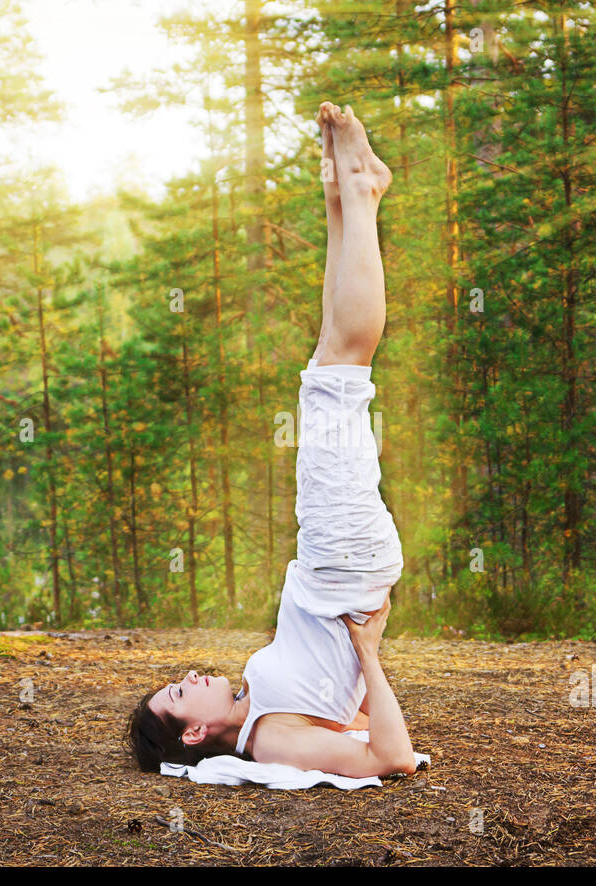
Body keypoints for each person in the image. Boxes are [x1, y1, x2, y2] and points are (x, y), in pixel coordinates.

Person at [126, 102, 416, 779]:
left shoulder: (264, 710)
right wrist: (370, 655)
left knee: (328, 368)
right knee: (345, 363)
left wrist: (353, 690)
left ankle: (345, 196)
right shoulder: (270, 741)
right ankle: (360, 196)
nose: (190, 674)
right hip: (342, 560)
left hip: (332, 556)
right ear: (196, 730)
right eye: (178, 690)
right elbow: (392, 760)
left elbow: (348, 718)